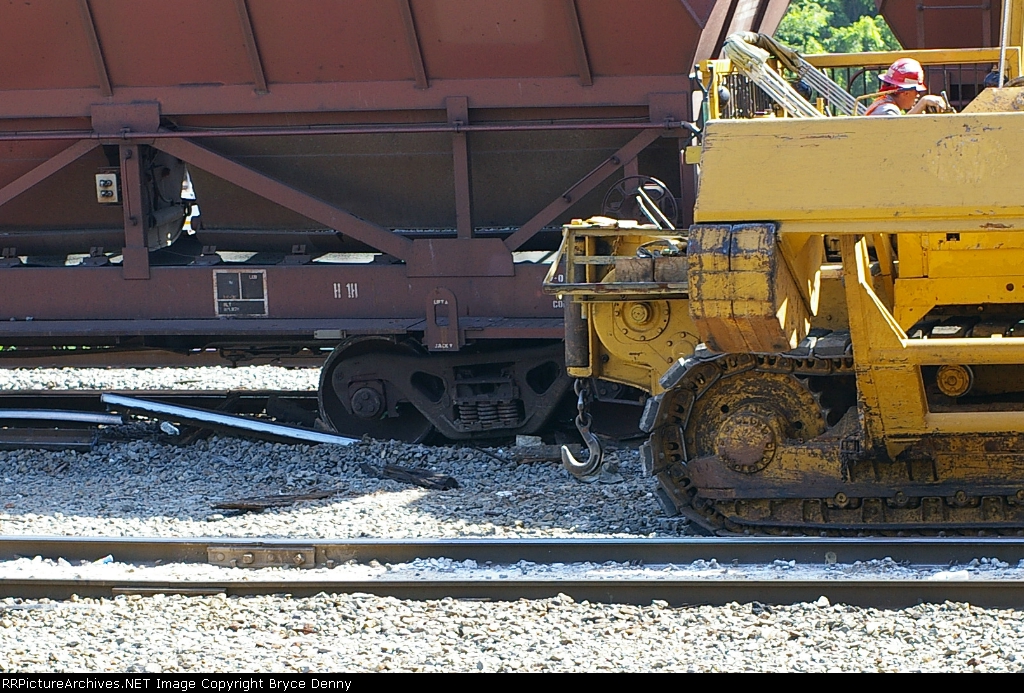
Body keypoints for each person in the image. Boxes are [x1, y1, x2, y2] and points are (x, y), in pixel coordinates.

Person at [865, 58, 948, 116]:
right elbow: (902, 130)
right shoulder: (888, 111)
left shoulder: (883, 105)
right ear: (905, 92)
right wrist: (922, 103)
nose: (918, 95)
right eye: (917, 91)